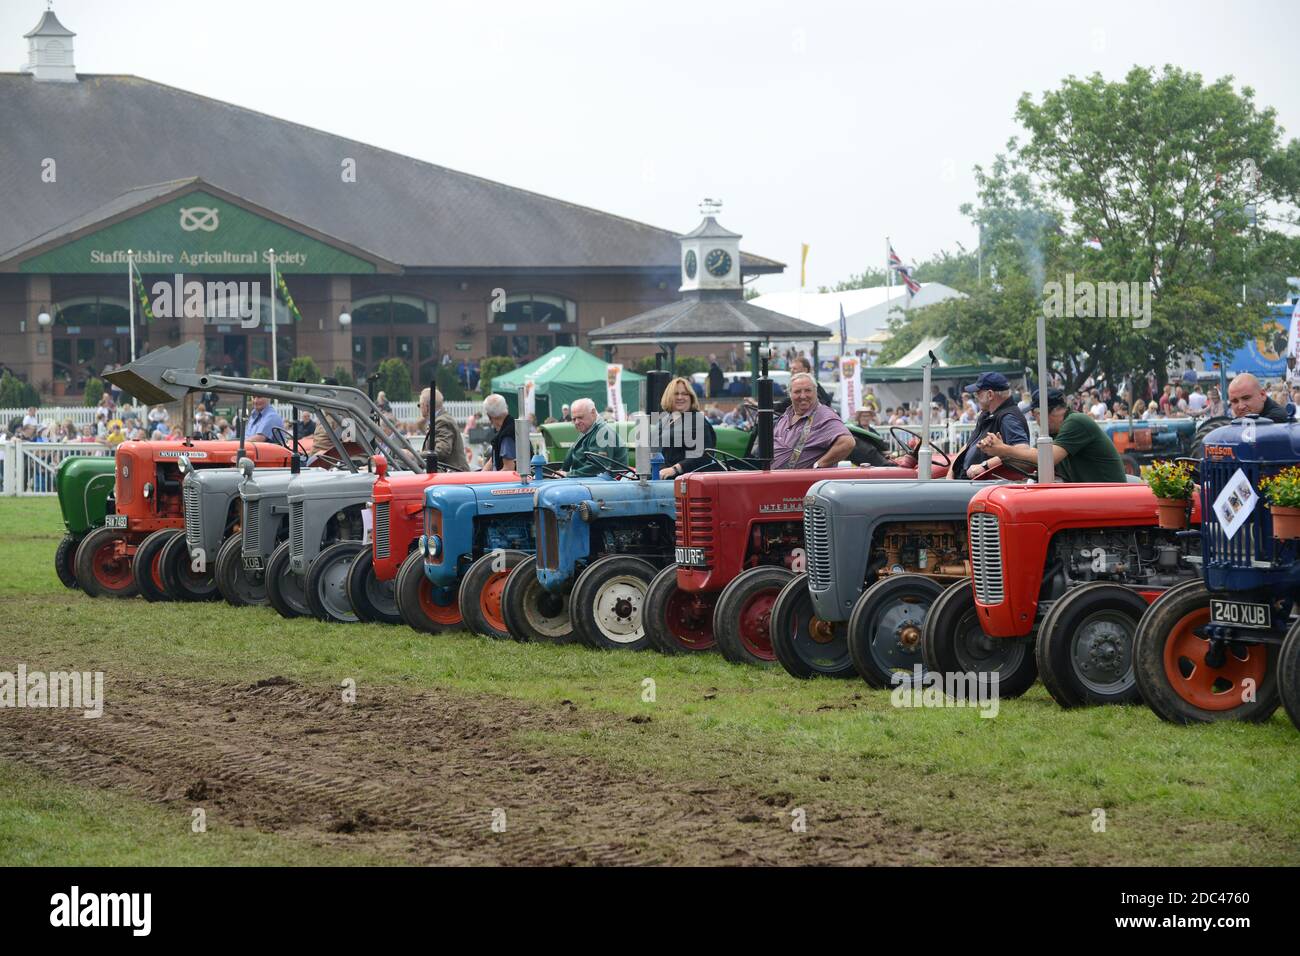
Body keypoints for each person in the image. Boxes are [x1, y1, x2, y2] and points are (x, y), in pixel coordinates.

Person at [981, 388, 1126, 483]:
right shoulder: (1054, 433)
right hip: (1090, 496)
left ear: (1046, 412)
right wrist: (1001, 453)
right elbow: (1029, 462)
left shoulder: (1076, 422)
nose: (1035, 420)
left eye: (1035, 415)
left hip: (1107, 496)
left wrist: (1005, 449)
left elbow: (1047, 459)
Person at [771, 373, 854, 470]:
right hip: (775, 480)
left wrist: (818, 466)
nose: (803, 396)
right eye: (797, 392)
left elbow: (847, 443)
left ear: (816, 392)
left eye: (808, 391)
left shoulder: (823, 415)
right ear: (790, 394)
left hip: (805, 483)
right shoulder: (786, 415)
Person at [655, 376, 717, 479]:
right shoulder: (665, 420)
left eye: (684, 394)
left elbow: (703, 455)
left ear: (691, 397)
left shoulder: (697, 420)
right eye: (676, 394)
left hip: (685, 481)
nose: (680, 397)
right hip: (660, 478)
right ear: (669, 397)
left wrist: (675, 469)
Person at [559, 398, 626, 477]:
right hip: (587, 482)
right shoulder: (588, 431)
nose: (576, 422)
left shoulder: (603, 433)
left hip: (604, 484)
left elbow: (598, 467)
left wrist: (568, 475)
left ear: (593, 412)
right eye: (574, 419)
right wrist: (561, 472)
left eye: (580, 417)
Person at [419, 387, 469, 470]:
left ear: (426, 406)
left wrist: (415, 456)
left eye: (419, 405)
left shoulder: (442, 422)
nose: (419, 408)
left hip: (452, 477)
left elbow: (442, 451)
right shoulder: (440, 420)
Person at [481, 394, 517, 472]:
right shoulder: (510, 426)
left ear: (489, 416)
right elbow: (493, 460)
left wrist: (487, 479)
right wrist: (480, 476)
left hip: (510, 483)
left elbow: (509, 468)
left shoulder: (507, 435)